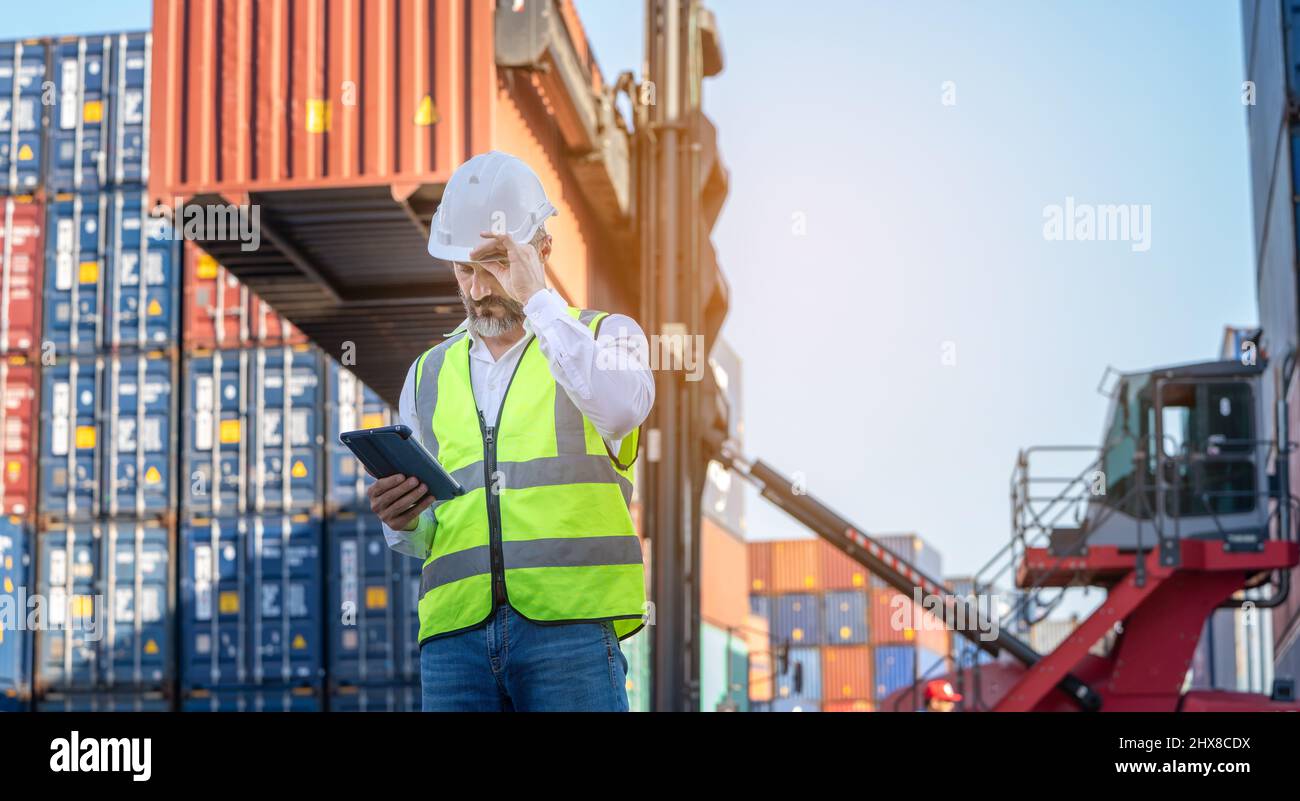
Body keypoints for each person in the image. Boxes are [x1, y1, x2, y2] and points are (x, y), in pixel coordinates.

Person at [368, 151, 654, 712]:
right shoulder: (428, 373)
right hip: (454, 644)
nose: (477, 290)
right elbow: (428, 535)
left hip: (570, 633)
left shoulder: (606, 337)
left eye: (495, 263)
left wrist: (540, 303)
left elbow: (621, 410)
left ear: (541, 249)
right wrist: (401, 521)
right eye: (464, 270)